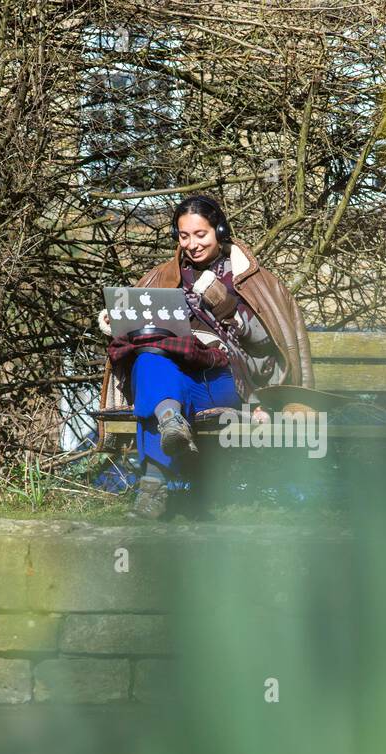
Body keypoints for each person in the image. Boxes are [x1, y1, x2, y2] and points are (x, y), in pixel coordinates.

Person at [97, 194, 315, 519]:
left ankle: (153, 487)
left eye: (201, 235)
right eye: (184, 236)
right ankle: (171, 422)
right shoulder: (163, 277)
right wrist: (118, 322)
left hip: (222, 378)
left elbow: (270, 345)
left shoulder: (250, 279)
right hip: (173, 375)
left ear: (219, 230)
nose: (192, 244)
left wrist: (229, 310)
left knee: (161, 388)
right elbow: (140, 334)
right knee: (150, 361)